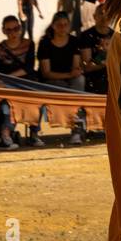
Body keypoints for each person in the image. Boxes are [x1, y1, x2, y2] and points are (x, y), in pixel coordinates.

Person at [0, 14, 44, 149]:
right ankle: (5, 136)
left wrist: (9, 78)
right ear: (3, 31)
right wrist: (3, 81)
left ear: (20, 28)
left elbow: (29, 67)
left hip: (25, 83)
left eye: (16, 29)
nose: (13, 33)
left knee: (37, 102)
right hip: (7, 85)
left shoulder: (29, 44)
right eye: (9, 30)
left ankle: (34, 134)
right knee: (7, 105)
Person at [37, 11, 86, 144]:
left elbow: (76, 66)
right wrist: (69, 75)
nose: (63, 28)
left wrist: (73, 74)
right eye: (59, 25)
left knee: (79, 81)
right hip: (51, 81)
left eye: (65, 25)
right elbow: (46, 72)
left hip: (70, 81)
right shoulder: (45, 43)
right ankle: (76, 125)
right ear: (53, 26)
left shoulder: (74, 41)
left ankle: (77, 129)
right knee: (65, 88)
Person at [78, 12, 112, 95]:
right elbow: (88, 67)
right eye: (101, 13)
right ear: (94, 16)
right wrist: (105, 63)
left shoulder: (116, 36)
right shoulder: (86, 36)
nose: (104, 17)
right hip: (93, 78)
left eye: (107, 14)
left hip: (112, 76)